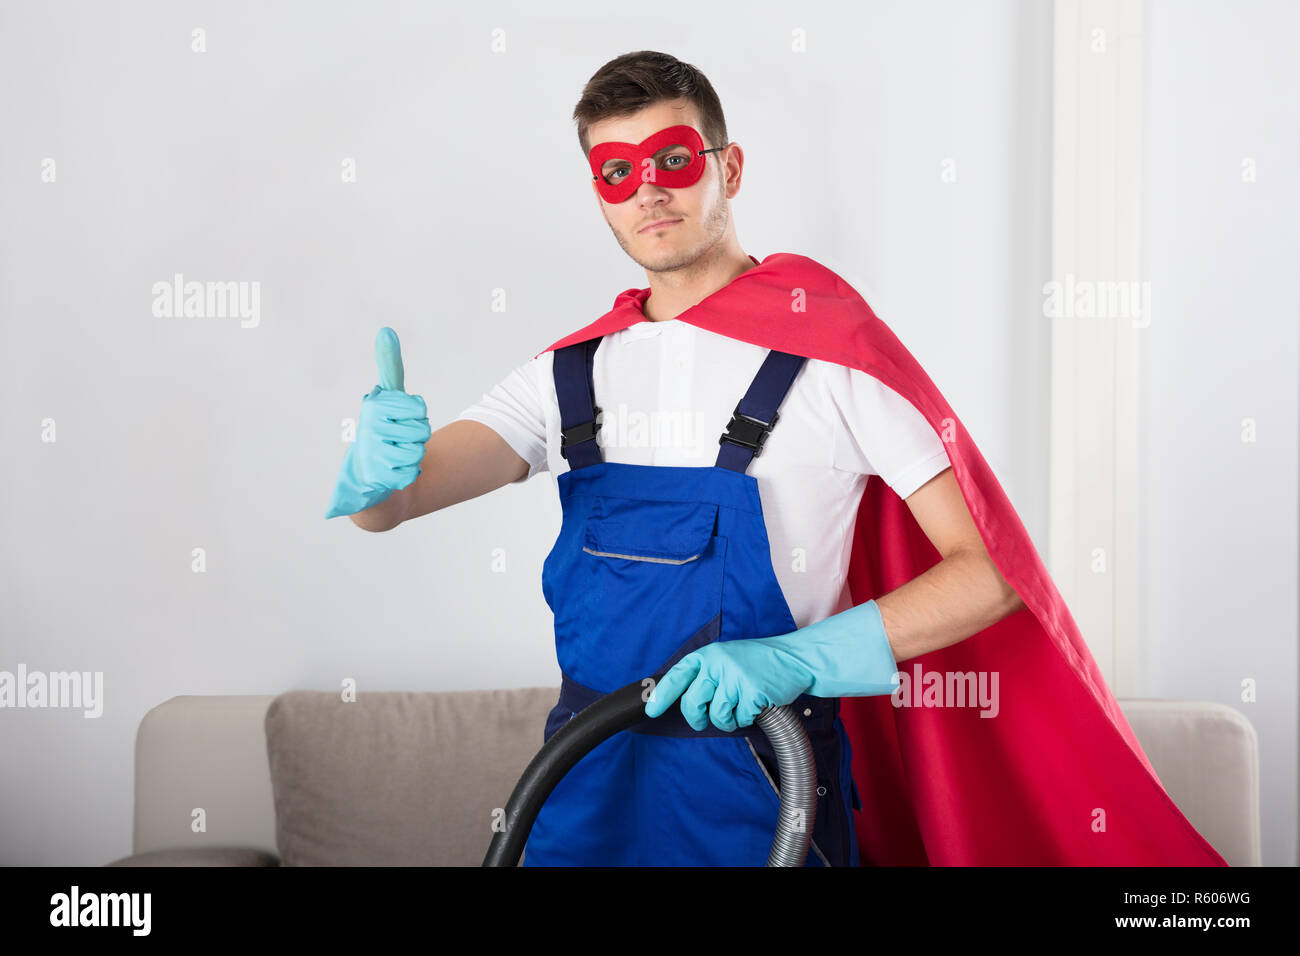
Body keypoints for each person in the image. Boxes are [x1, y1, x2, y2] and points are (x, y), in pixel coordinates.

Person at [325, 51, 1226, 867]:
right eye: (617, 172)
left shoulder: (833, 351)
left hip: (764, 779)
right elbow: (391, 508)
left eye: (673, 159)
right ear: (597, 192)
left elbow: (988, 573)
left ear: (728, 167)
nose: (650, 191)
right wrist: (373, 468)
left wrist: (798, 659)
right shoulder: (567, 373)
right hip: (583, 777)